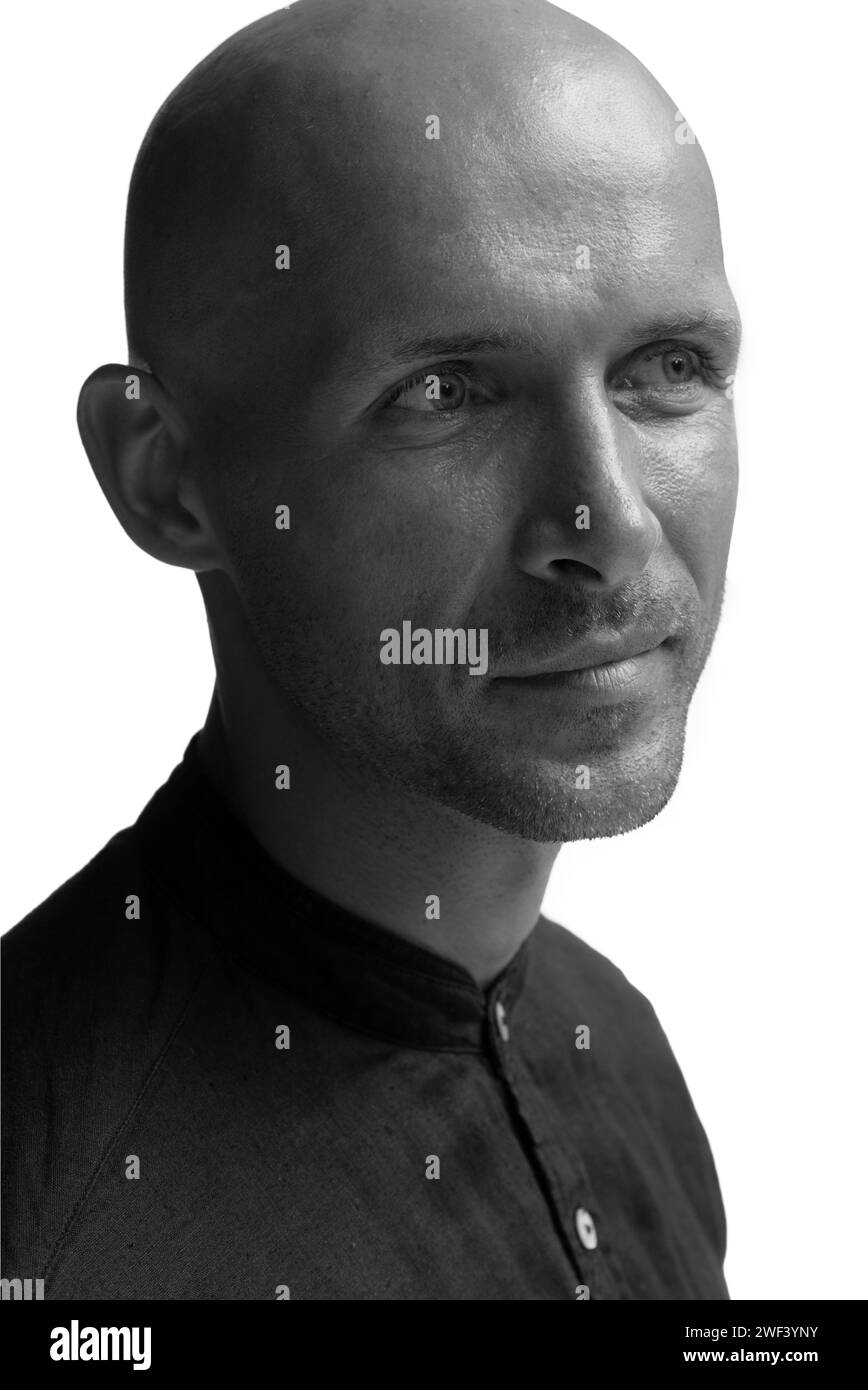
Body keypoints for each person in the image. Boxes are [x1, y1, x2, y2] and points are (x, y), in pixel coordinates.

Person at [2, 0, 741, 1299]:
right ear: (167, 478)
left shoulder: (611, 1039)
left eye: (665, 366)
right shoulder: (47, 1215)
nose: (610, 527)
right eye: (445, 394)